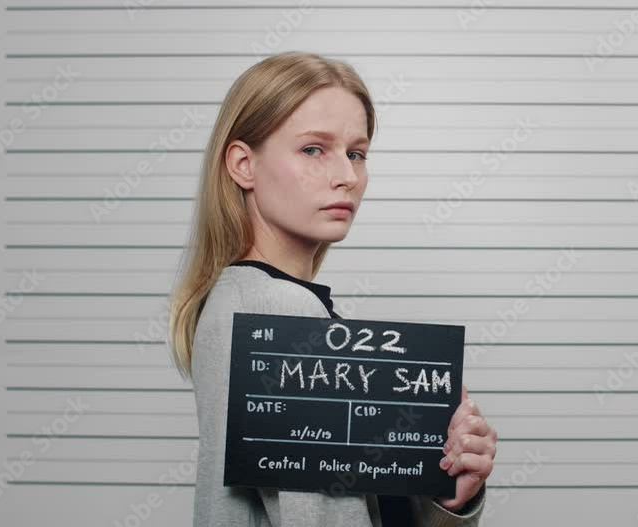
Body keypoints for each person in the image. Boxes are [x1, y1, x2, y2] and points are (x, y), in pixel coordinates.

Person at [167, 51, 497, 527]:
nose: (347, 176)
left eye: (356, 153)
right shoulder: (280, 310)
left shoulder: (245, 298)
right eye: (313, 149)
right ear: (243, 164)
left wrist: (449, 495)